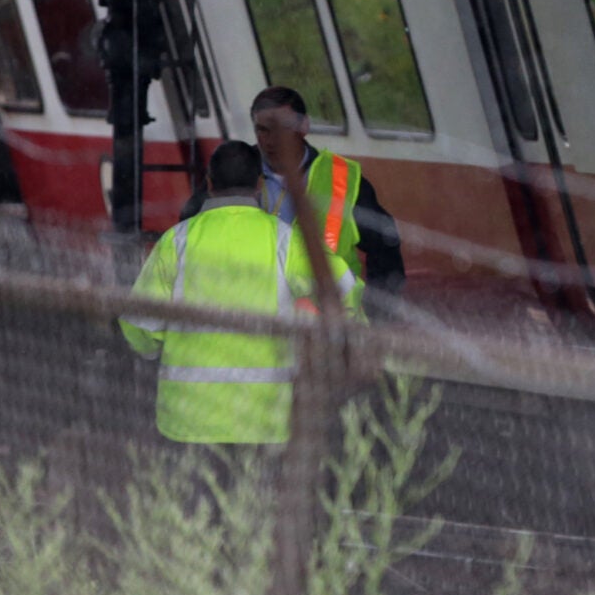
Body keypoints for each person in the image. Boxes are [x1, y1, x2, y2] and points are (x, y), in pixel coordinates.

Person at [122, 140, 361, 445]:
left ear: (209, 184)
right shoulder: (285, 240)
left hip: (189, 418)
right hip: (264, 420)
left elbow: (139, 323)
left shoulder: (176, 241)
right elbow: (343, 287)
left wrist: (150, 351)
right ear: (259, 185)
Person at [243, 86, 406, 299]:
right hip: (257, 313)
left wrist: (377, 310)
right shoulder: (235, 169)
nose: (272, 140)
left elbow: (384, 243)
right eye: (263, 130)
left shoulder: (341, 178)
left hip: (331, 312)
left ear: (304, 126)